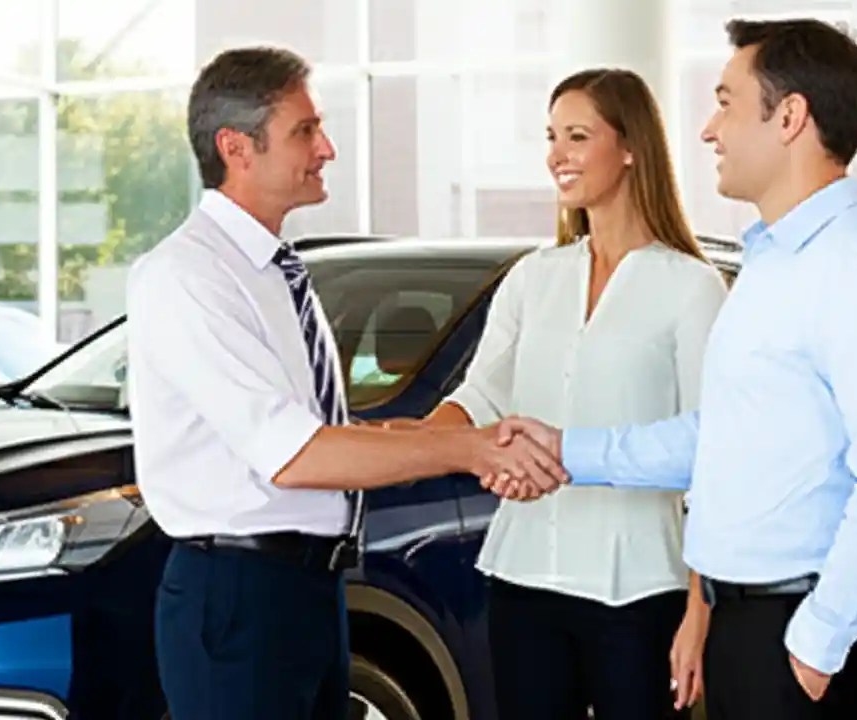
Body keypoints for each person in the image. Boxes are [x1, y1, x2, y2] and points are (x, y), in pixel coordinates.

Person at [489, 18, 857, 720]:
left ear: (790, 116)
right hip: (753, 626)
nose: (708, 129)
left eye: (726, 102)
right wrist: (565, 450)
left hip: (806, 633)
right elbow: (724, 439)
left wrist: (815, 648)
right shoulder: (773, 262)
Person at [125, 46, 567, 720]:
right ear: (236, 147)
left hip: (311, 591)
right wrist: (470, 450)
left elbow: (320, 434)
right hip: (240, 599)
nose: (326, 148)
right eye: (305, 130)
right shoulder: (189, 276)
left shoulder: (277, 273)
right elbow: (295, 454)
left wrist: (420, 435)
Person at [386, 69, 726, 718]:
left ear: (632, 148)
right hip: (525, 578)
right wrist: (410, 445)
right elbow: (481, 395)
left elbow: (712, 454)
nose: (556, 155)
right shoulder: (533, 278)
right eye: (551, 137)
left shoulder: (691, 287)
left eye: (577, 135)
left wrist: (698, 613)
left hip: (641, 592)